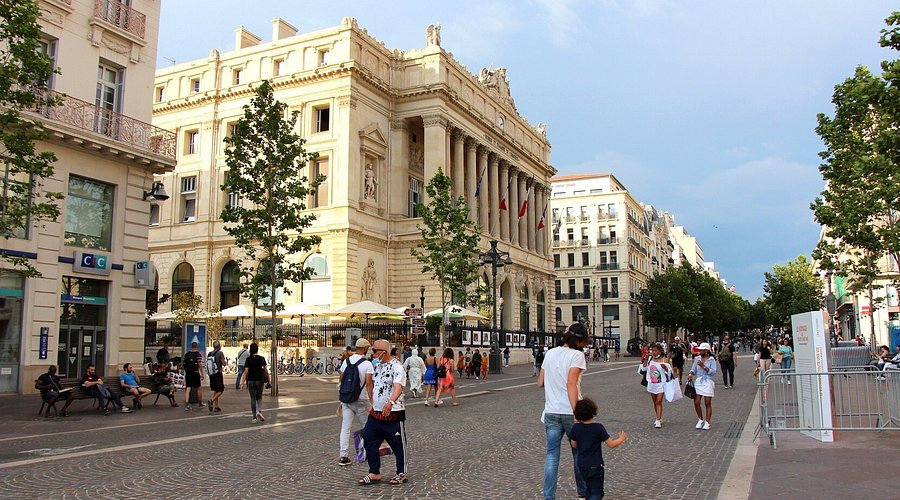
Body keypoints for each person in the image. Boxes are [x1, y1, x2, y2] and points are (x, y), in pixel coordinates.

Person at [537, 323, 589, 500]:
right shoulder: (577, 356)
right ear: (580, 340)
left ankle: (548, 496)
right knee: (578, 453)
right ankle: (582, 493)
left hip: (551, 411)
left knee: (552, 455)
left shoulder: (550, 353)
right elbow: (571, 384)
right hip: (569, 411)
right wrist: (577, 413)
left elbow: (540, 382)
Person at [357, 339, 408, 486]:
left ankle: (401, 473)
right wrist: (372, 403)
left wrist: (391, 402)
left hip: (393, 413)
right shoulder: (378, 367)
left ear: (383, 352)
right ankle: (374, 472)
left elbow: (398, 387)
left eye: (374, 351)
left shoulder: (397, 367)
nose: (372, 353)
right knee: (368, 439)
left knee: (398, 445)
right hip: (376, 414)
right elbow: (373, 385)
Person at [569, 398, 628, 500]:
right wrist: (621, 438)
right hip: (596, 465)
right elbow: (611, 444)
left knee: (588, 489)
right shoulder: (598, 427)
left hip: (582, 464)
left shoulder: (576, 428)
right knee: (597, 492)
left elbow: (574, 445)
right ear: (593, 412)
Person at [338, 338, 375, 466]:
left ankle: (343, 455)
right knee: (367, 426)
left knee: (345, 427)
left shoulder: (346, 361)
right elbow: (369, 384)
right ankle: (365, 452)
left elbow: (341, 379)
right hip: (361, 399)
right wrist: (372, 401)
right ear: (365, 349)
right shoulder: (367, 364)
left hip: (347, 399)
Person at [639, 343, 672, 428]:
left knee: (659, 401)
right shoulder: (650, 359)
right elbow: (644, 369)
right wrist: (646, 360)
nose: (654, 352)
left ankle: (658, 420)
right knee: (655, 402)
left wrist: (666, 368)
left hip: (661, 383)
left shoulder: (665, 360)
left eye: (656, 350)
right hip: (652, 383)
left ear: (660, 351)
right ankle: (659, 416)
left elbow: (670, 373)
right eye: (652, 350)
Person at [688, 342, 717, 430]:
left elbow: (713, 372)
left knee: (707, 402)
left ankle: (707, 422)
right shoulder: (697, 359)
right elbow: (693, 369)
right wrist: (691, 374)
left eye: (701, 350)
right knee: (696, 402)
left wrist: (703, 366)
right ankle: (700, 419)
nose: (699, 351)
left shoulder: (711, 359)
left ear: (706, 351)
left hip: (707, 381)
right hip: (699, 381)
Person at [240, 342, 270, 423]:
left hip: (250, 381)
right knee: (259, 396)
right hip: (260, 380)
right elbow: (266, 371)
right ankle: (259, 411)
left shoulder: (248, 359)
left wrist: (242, 383)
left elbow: (246, 372)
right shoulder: (261, 358)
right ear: (257, 350)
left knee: (253, 398)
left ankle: (254, 417)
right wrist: (268, 380)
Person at [182, 341, 204, 411]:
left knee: (188, 388)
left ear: (191, 347)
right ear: (196, 346)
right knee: (199, 388)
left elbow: (184, 364)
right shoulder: (198, 355)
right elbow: (200, 365)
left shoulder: (187, 355)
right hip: (196, 373)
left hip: (188, 374)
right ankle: (200, 403)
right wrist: (202, 374)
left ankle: (187, 404)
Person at [207, 340, 226, 413]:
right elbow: (223, 363)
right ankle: (211, 400)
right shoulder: (220, 353)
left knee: (215, 390)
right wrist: (225, 362)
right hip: (218, 373)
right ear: (219, 346)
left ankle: (216, 407)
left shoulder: (210, 353)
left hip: (212, 374)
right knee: (221, 390)